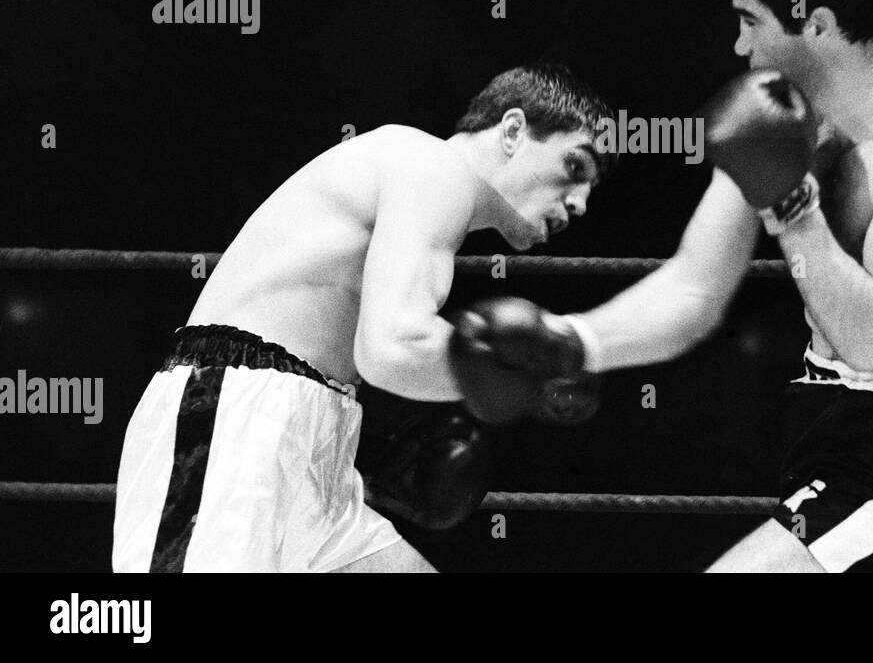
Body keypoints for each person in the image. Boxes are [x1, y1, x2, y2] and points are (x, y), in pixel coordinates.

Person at [485, 0, 873, 571]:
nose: (739, 45)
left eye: (750, 20)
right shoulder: (778, 125)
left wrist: (792, 206)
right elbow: (694, 287)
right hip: (827, 434)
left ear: (816, 23)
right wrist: (571, 343)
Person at [112, 63, 615, 572]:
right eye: (576, 167)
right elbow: (392, 349)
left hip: (315, 444)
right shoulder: (430, 164)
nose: (580, 203)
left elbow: (384, 353)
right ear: (512, 130)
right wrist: (534, 373)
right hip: (233, 421)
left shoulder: (431, 193)